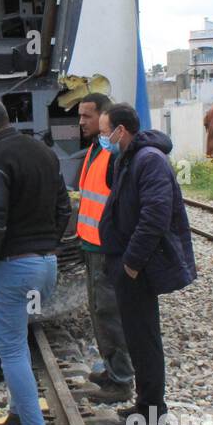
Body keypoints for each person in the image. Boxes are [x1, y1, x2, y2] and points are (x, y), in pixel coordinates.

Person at [0, 95, 72, 425]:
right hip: (45, 266)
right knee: (19, 340)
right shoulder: (44, 152)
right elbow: (64, 207)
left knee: (10, 348)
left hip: (12, 268)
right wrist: (49, 246)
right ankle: (16, 413)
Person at [98, 103, 196, 425]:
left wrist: (131, 263)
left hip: (137, 266)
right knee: (138, 338)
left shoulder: (149, 160)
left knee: (145, 338)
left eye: (104, 131)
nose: (102, 138)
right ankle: (145, 404)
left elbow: (154, 215)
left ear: (120, 131)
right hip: (127, 262)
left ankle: (153, 414)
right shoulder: (127, 157)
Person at [74, 92, 135, 401]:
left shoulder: (113, 154)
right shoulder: (95, 150)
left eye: (87, 115)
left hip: (106, 247)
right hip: (90, 244)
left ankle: (122, 380)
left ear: (103, 116)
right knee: (99, 311)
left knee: (109, 312)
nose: (81, 121)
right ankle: (112, 370)